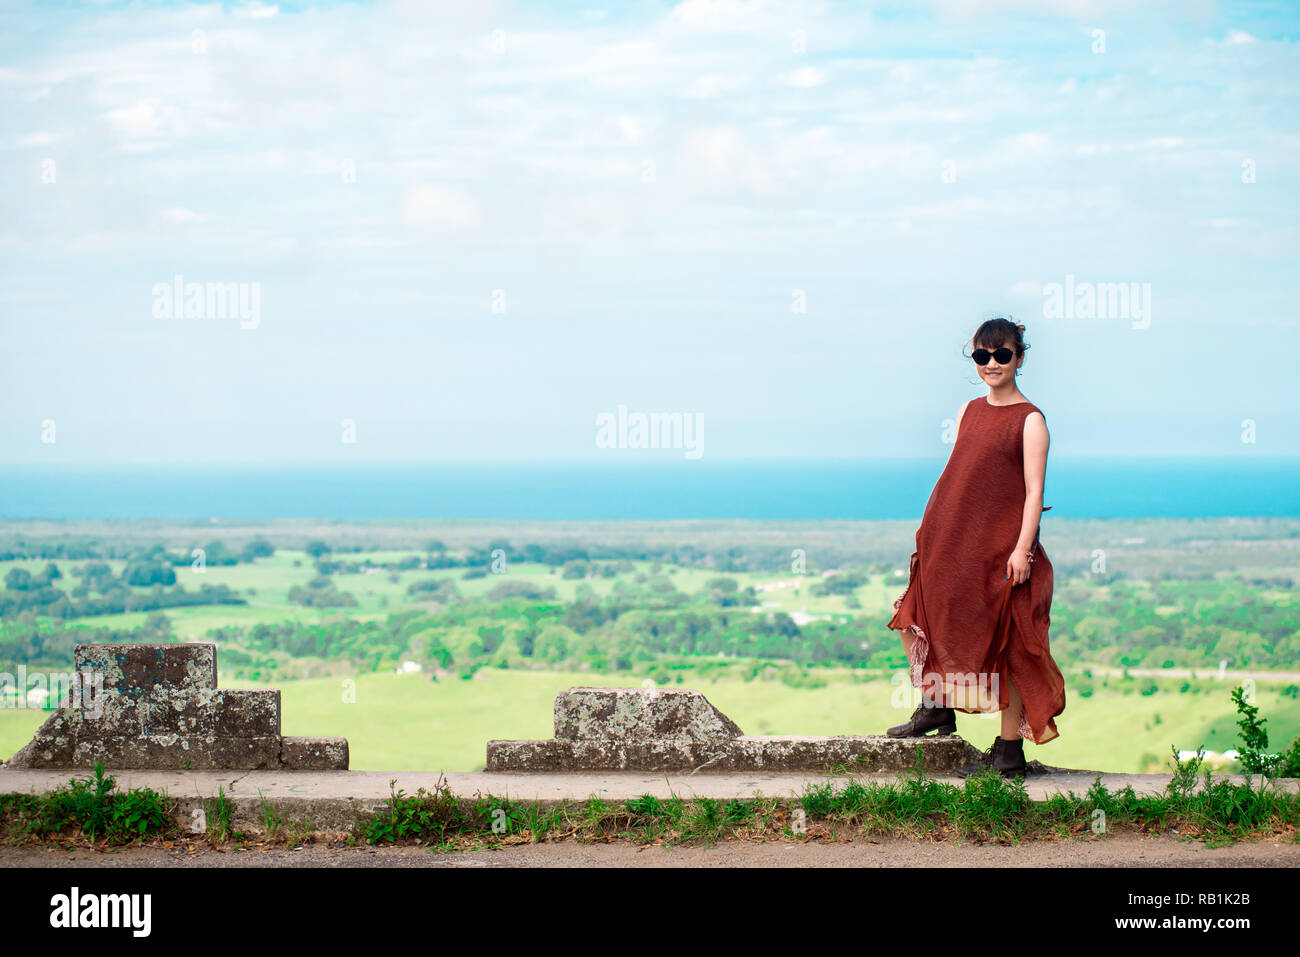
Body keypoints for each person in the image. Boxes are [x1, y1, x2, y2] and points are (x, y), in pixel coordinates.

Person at [884, 317, 1066, 778]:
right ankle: (937, 706)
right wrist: (931, 533)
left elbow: (1032, 492)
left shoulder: (1031, 421)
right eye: (982, 356)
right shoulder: (968, 410)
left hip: (1002, 553)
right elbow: (960, 477)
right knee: (913, 616)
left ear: (1019, 358)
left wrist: (1023, 550)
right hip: (951, 543)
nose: (991, 363)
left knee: (1012, 648)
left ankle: (1008, 754)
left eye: (1001, 354)